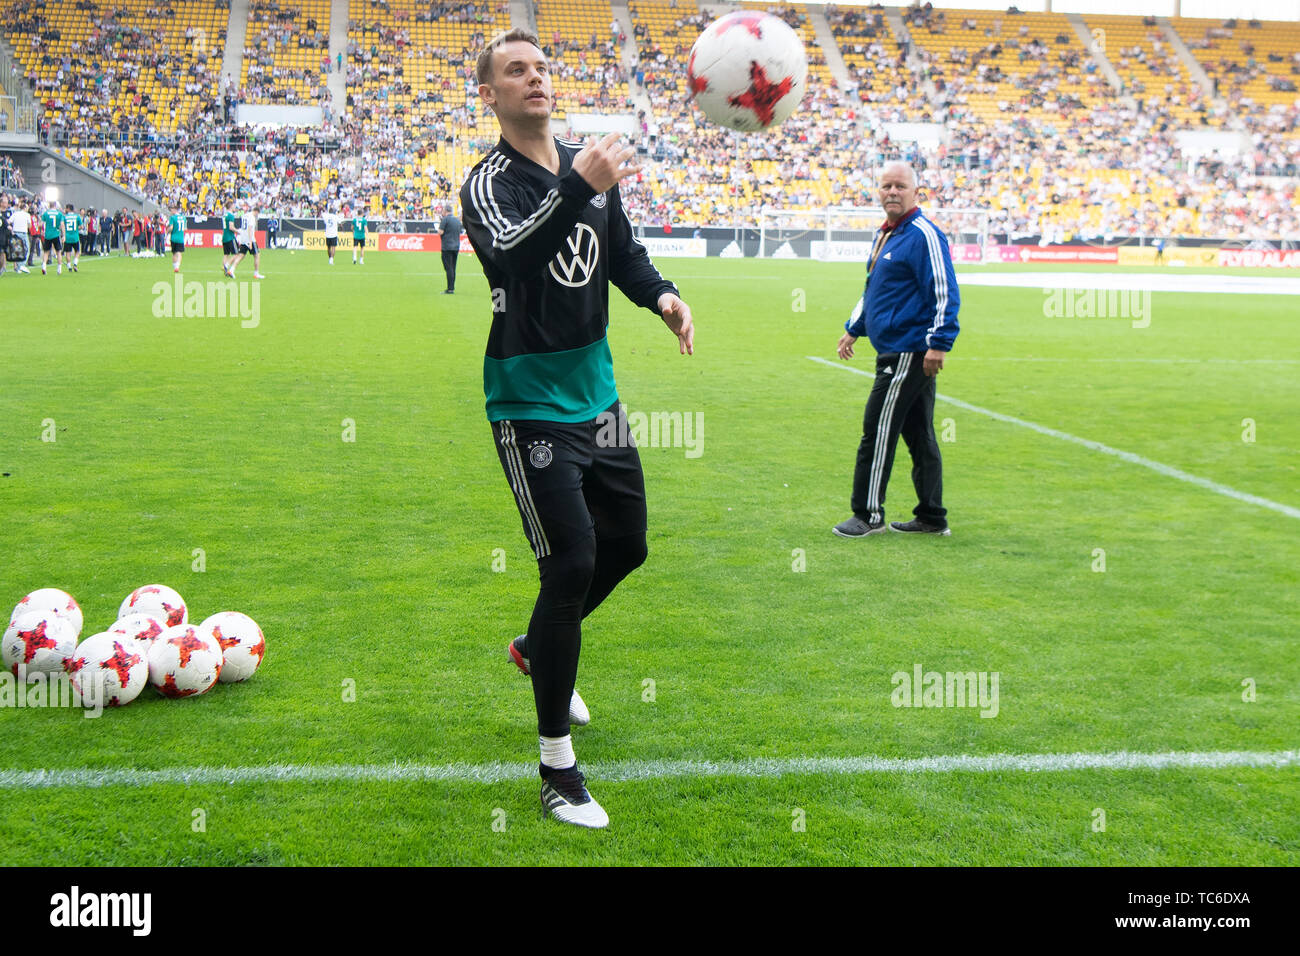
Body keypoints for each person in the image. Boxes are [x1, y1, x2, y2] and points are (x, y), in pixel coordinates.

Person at [461, 28, 695, 829]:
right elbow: (511, 257)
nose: (535, 79)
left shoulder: (587, 170)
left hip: (596, 394)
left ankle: (534, 650)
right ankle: (557, 769)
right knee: (571, 561)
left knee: (627, 544)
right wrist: (577, 185)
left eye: (541, 68)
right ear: (489, 95)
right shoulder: (489, 181)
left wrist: (661, 296)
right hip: (528, 400)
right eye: (515, 71)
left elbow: (619, 253)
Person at [833, 161, 960, 538]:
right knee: (919, 434)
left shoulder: (924, 235)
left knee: (878, 430)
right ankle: (932, 516)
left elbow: (944, 291)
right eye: (886, 185)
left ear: (915, 193)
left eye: (899, 186)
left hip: (908, 352)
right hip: (895, 349)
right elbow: (874, 289)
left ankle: (868, 514)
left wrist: (939, 343)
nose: (891, 191)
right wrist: (854, 329)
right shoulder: (885, 235)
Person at [437, 202, 460, 293]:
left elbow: (440, 232)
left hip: (447, 246)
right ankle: (452, 287)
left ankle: (450, 289)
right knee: (453, 268)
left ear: (445, 211)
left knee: (448, 268)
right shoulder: (457, 220)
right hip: (456, 246)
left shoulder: (445, 219)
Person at [39, 200, 65, 275]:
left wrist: (41, 230)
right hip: (56, 234)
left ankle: (44, 267)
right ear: (55, 205)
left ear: (49, 205)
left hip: (47, 235)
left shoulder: (46, 213)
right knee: (58, 252)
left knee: (46, 252)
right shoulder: (59, 214)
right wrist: (63, 235)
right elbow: (62, 225)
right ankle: (59, 269)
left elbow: (41, 224)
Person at [166, 204, 186, 273]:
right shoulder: (183, 217)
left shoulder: (173, 218)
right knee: (179, 253)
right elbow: (185, 228)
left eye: (171, 209)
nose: (170, 211)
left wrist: (167, 232)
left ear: (175, 209)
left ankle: (175, 267)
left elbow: (171, 227)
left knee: (174, 253)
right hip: (181, 238)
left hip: (174, 237)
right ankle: (177, 267)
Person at [63, 203, 82, 273]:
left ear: (68, 209)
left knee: (68, 253)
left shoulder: (65, 217)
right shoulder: (77, 216)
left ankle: (69, 267)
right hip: (75, 237)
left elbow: (62, 226)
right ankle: (75, 264)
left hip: (67, 237)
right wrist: (76, 228)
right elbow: (81, 226)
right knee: (77, 251)